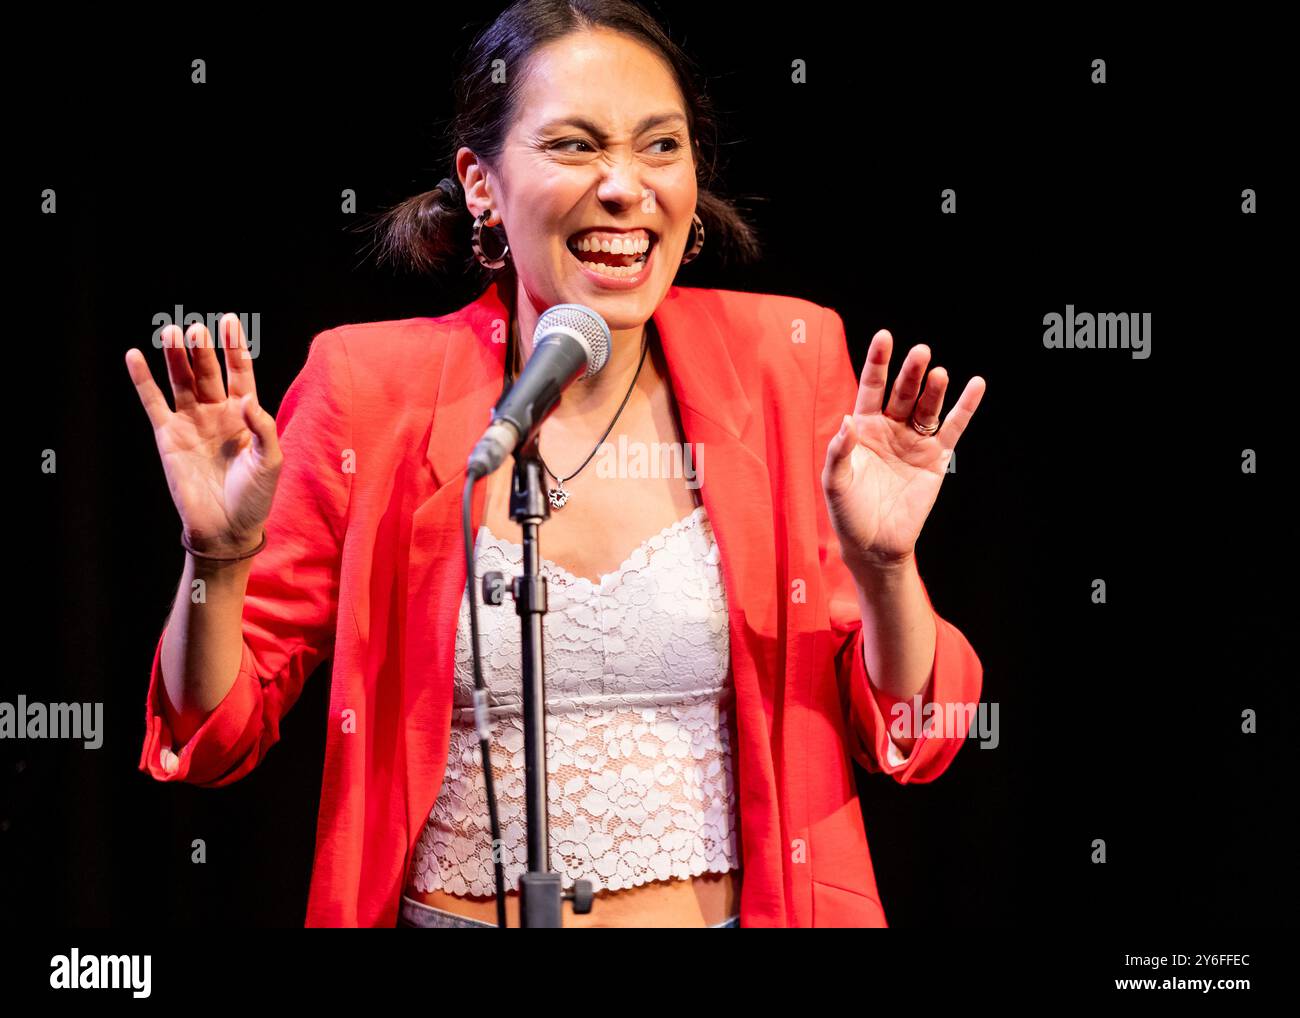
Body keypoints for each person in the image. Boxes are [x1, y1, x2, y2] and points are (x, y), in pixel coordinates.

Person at [123, 0, 987, 928]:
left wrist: (889, 570)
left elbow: (911, 736)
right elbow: (212, 737)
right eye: (574, 146)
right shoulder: (368, 387)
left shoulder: (787, 359)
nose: (625, 187)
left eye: (662, 147)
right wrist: (216, 557)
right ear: (481, 183)